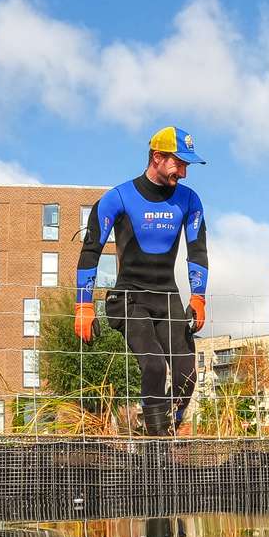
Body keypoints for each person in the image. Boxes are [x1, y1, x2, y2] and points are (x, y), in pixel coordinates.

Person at [74, 126, 210, 436]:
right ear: (157, 157)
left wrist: (198, 297)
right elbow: (90, 251)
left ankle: (164, 428)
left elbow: (197, 250)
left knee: (187, 375)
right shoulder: (117, 198)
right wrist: (83, 304)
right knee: (153, 366)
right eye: (180, 163)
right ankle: (156, 448)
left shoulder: (190, 201)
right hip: (129, 299)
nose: (185, 173)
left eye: (188, 165)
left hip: (167, 298)